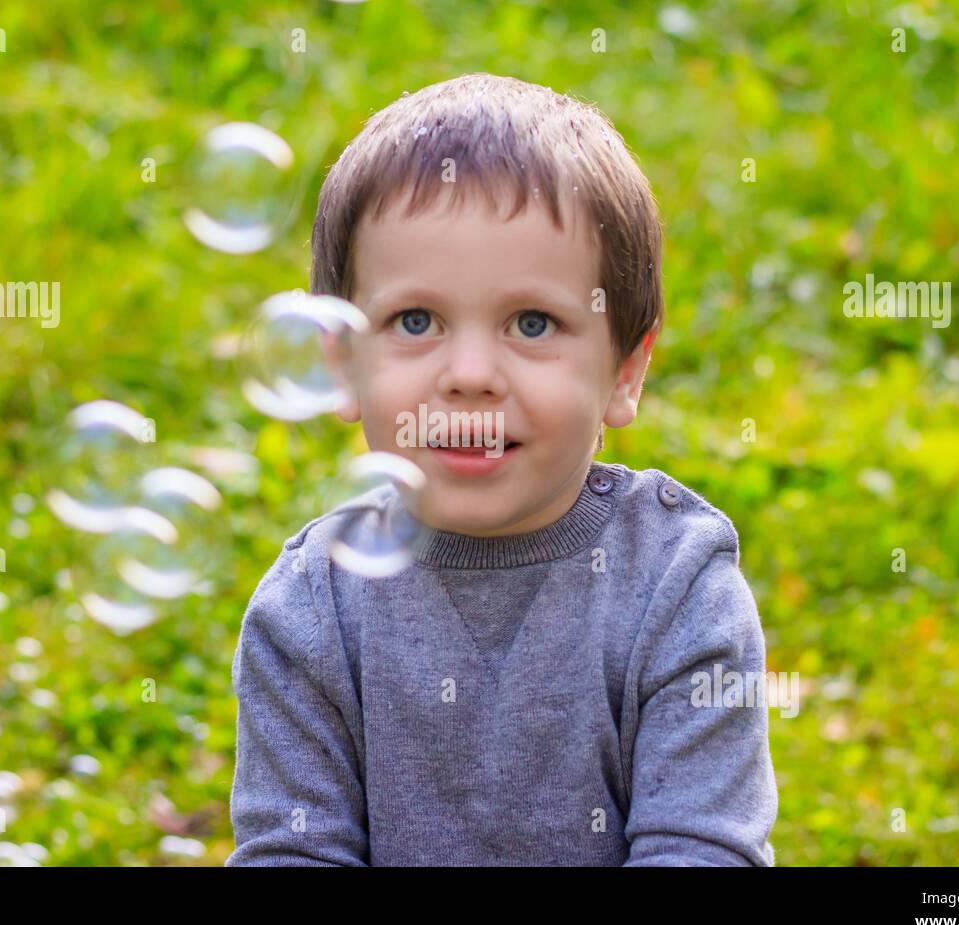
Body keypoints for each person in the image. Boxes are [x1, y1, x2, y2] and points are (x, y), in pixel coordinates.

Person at [227, 73, 777, 866]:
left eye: (532, 322)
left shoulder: (675, 585)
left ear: (625, 369)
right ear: (342, 362)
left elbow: (703, 850)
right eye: (416, 321)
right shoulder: (311, 612)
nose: (472, 373)